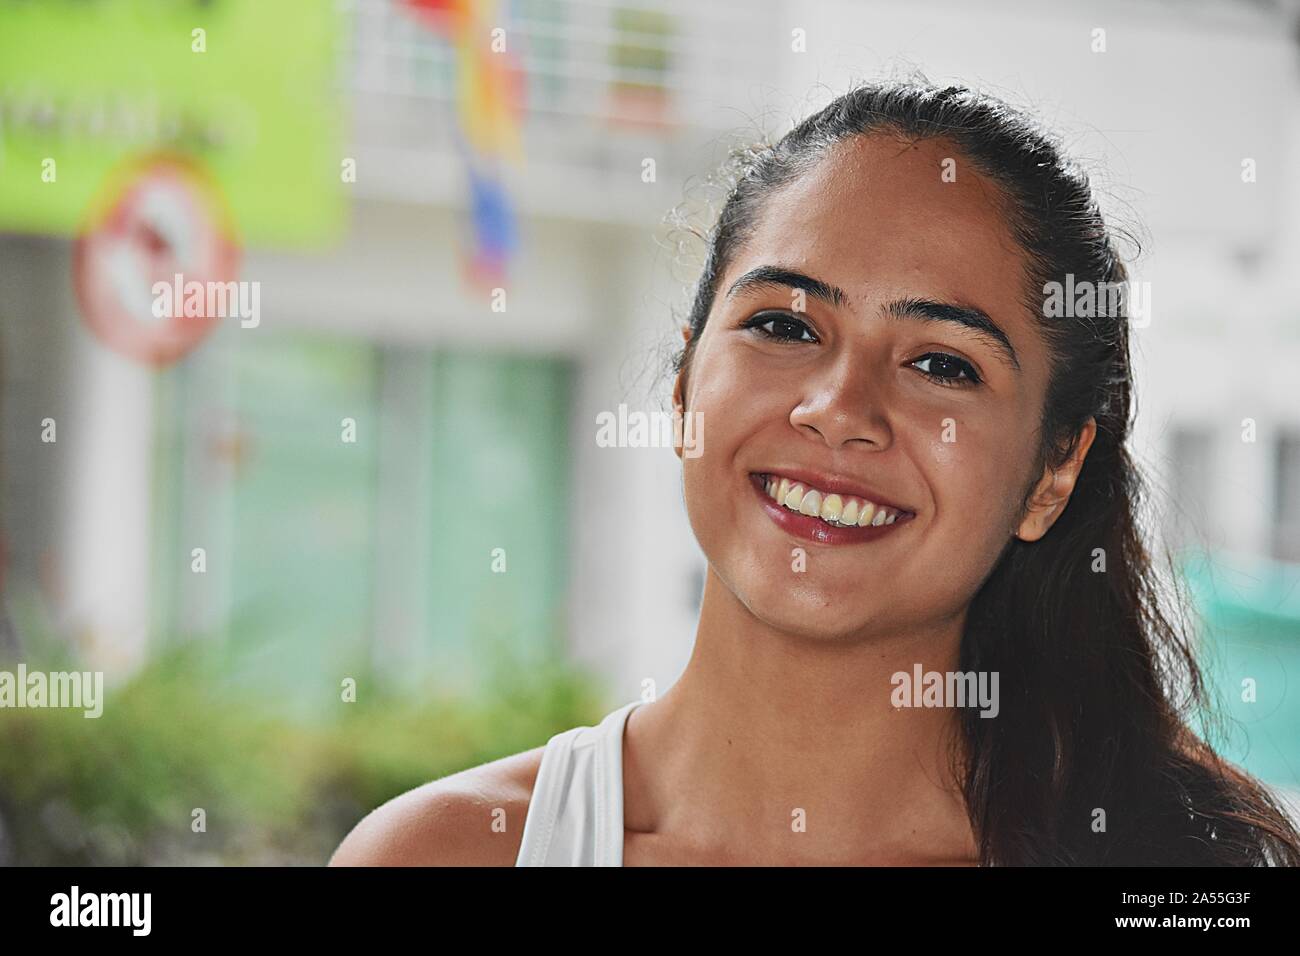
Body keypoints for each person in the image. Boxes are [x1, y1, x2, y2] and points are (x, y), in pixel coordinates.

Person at [330, 80, 1300, 866]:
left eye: (941, 363)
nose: (838, 406)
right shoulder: (441, 853)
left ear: (1052, 470)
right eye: (785, 325)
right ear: (681, 384)